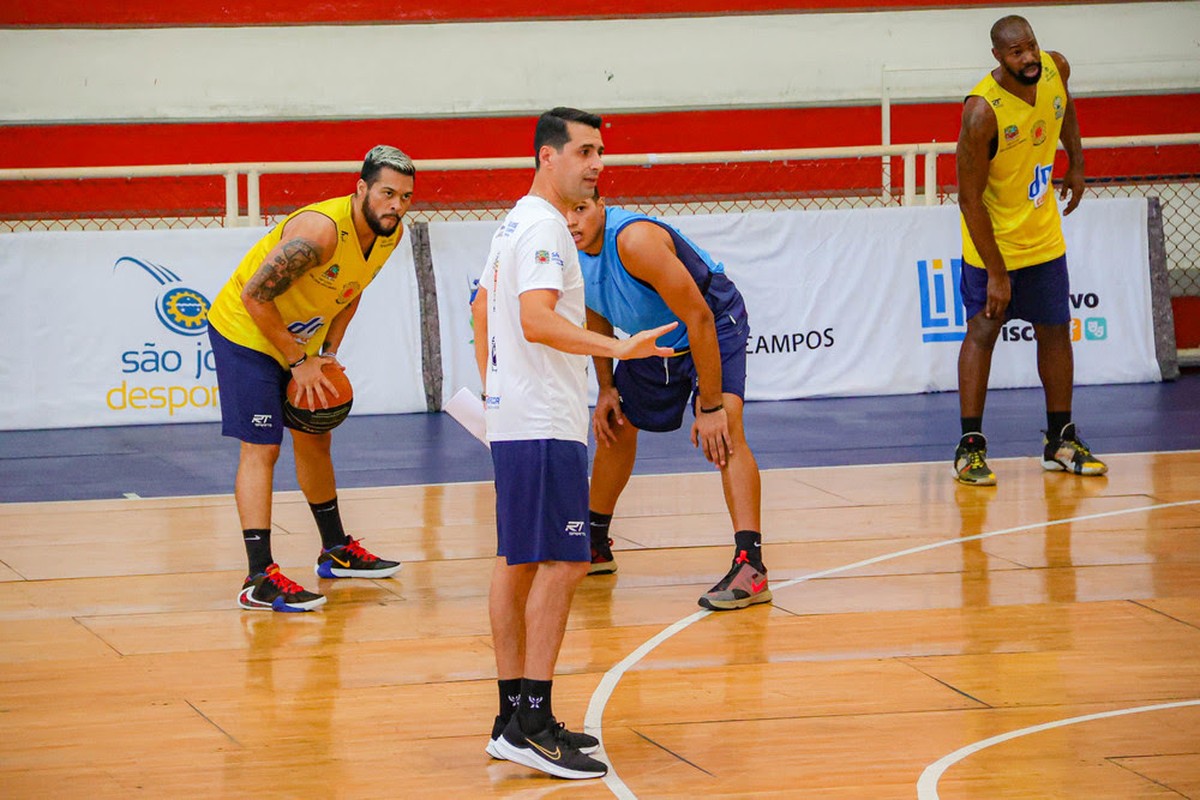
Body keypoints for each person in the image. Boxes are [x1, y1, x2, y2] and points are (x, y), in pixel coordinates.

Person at [471, 108, 677, 780]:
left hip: (523, 414)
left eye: (601, 152)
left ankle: (515, 718)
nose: (596, 164)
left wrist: (494, 387)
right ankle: (530, 722)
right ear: (547, 157)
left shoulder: (514, 221)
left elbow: (483, 308)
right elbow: (533, 320)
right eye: (584, 152)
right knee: (563, 563)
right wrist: (616, 347)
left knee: (521, 561)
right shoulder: (543, 226)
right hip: (541, 420)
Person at [207, 145, 413, 611]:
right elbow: (256, 297)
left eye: (405, 196)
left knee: (315, 437)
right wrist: (297, 361)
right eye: (386, 193)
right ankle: (258, 577)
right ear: (360, 189)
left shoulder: (390, 233)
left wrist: (328, 354)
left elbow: (351, 292)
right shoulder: (319, 232)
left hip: (302, 341)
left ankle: (336, 550)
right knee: (263, 447)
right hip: (247, 333)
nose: (396, 205)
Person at [565, 193, 771, 612]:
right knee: (616, 422)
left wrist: (710, 406)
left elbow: (699, 318)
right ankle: (595, 545)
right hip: (654, 337)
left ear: (601, 205)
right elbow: (596, 312)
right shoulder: (563, 249)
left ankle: (751, 566)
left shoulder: (634, 239)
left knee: (726, 431)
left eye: (581, 209)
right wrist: (606, 386)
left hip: (710, 323)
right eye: (563, 211)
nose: (571, 220)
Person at [954, 15, 1108, 486]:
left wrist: (1077, 163)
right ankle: (970, 449)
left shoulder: (1055, 68)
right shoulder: (983, 111)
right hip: (993, 246)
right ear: (998, 57)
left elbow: (1065, 110)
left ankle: (1060, 439)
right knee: (982, 332)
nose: (1028, 59)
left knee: (1056, 332)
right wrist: (997, 272)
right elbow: (968, 199)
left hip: (1043, 238)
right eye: (1016, 53)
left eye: (1031, 48)